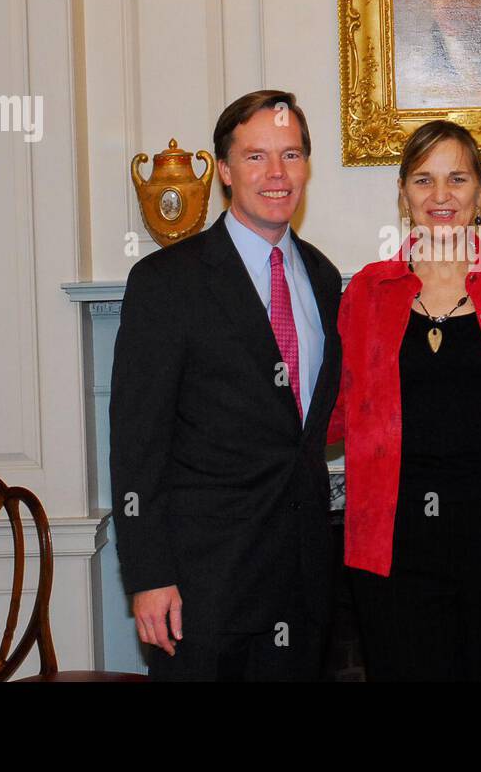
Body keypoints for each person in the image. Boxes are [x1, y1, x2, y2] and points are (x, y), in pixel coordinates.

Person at [109, 89, 341, 681]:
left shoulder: (321, 276)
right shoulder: (166, 283)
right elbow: (137, 445)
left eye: (291, 155)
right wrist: (149, 576)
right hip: (202, 590)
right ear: (225, 171)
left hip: (304, 583)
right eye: (257, 156)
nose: (276, 174)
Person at [330, 120, 481, 680]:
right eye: (423, 180)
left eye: (457, 178)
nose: (441, 196)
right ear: (403, 194)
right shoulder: (366, 291)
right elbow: (335, 408)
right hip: (393, 547)